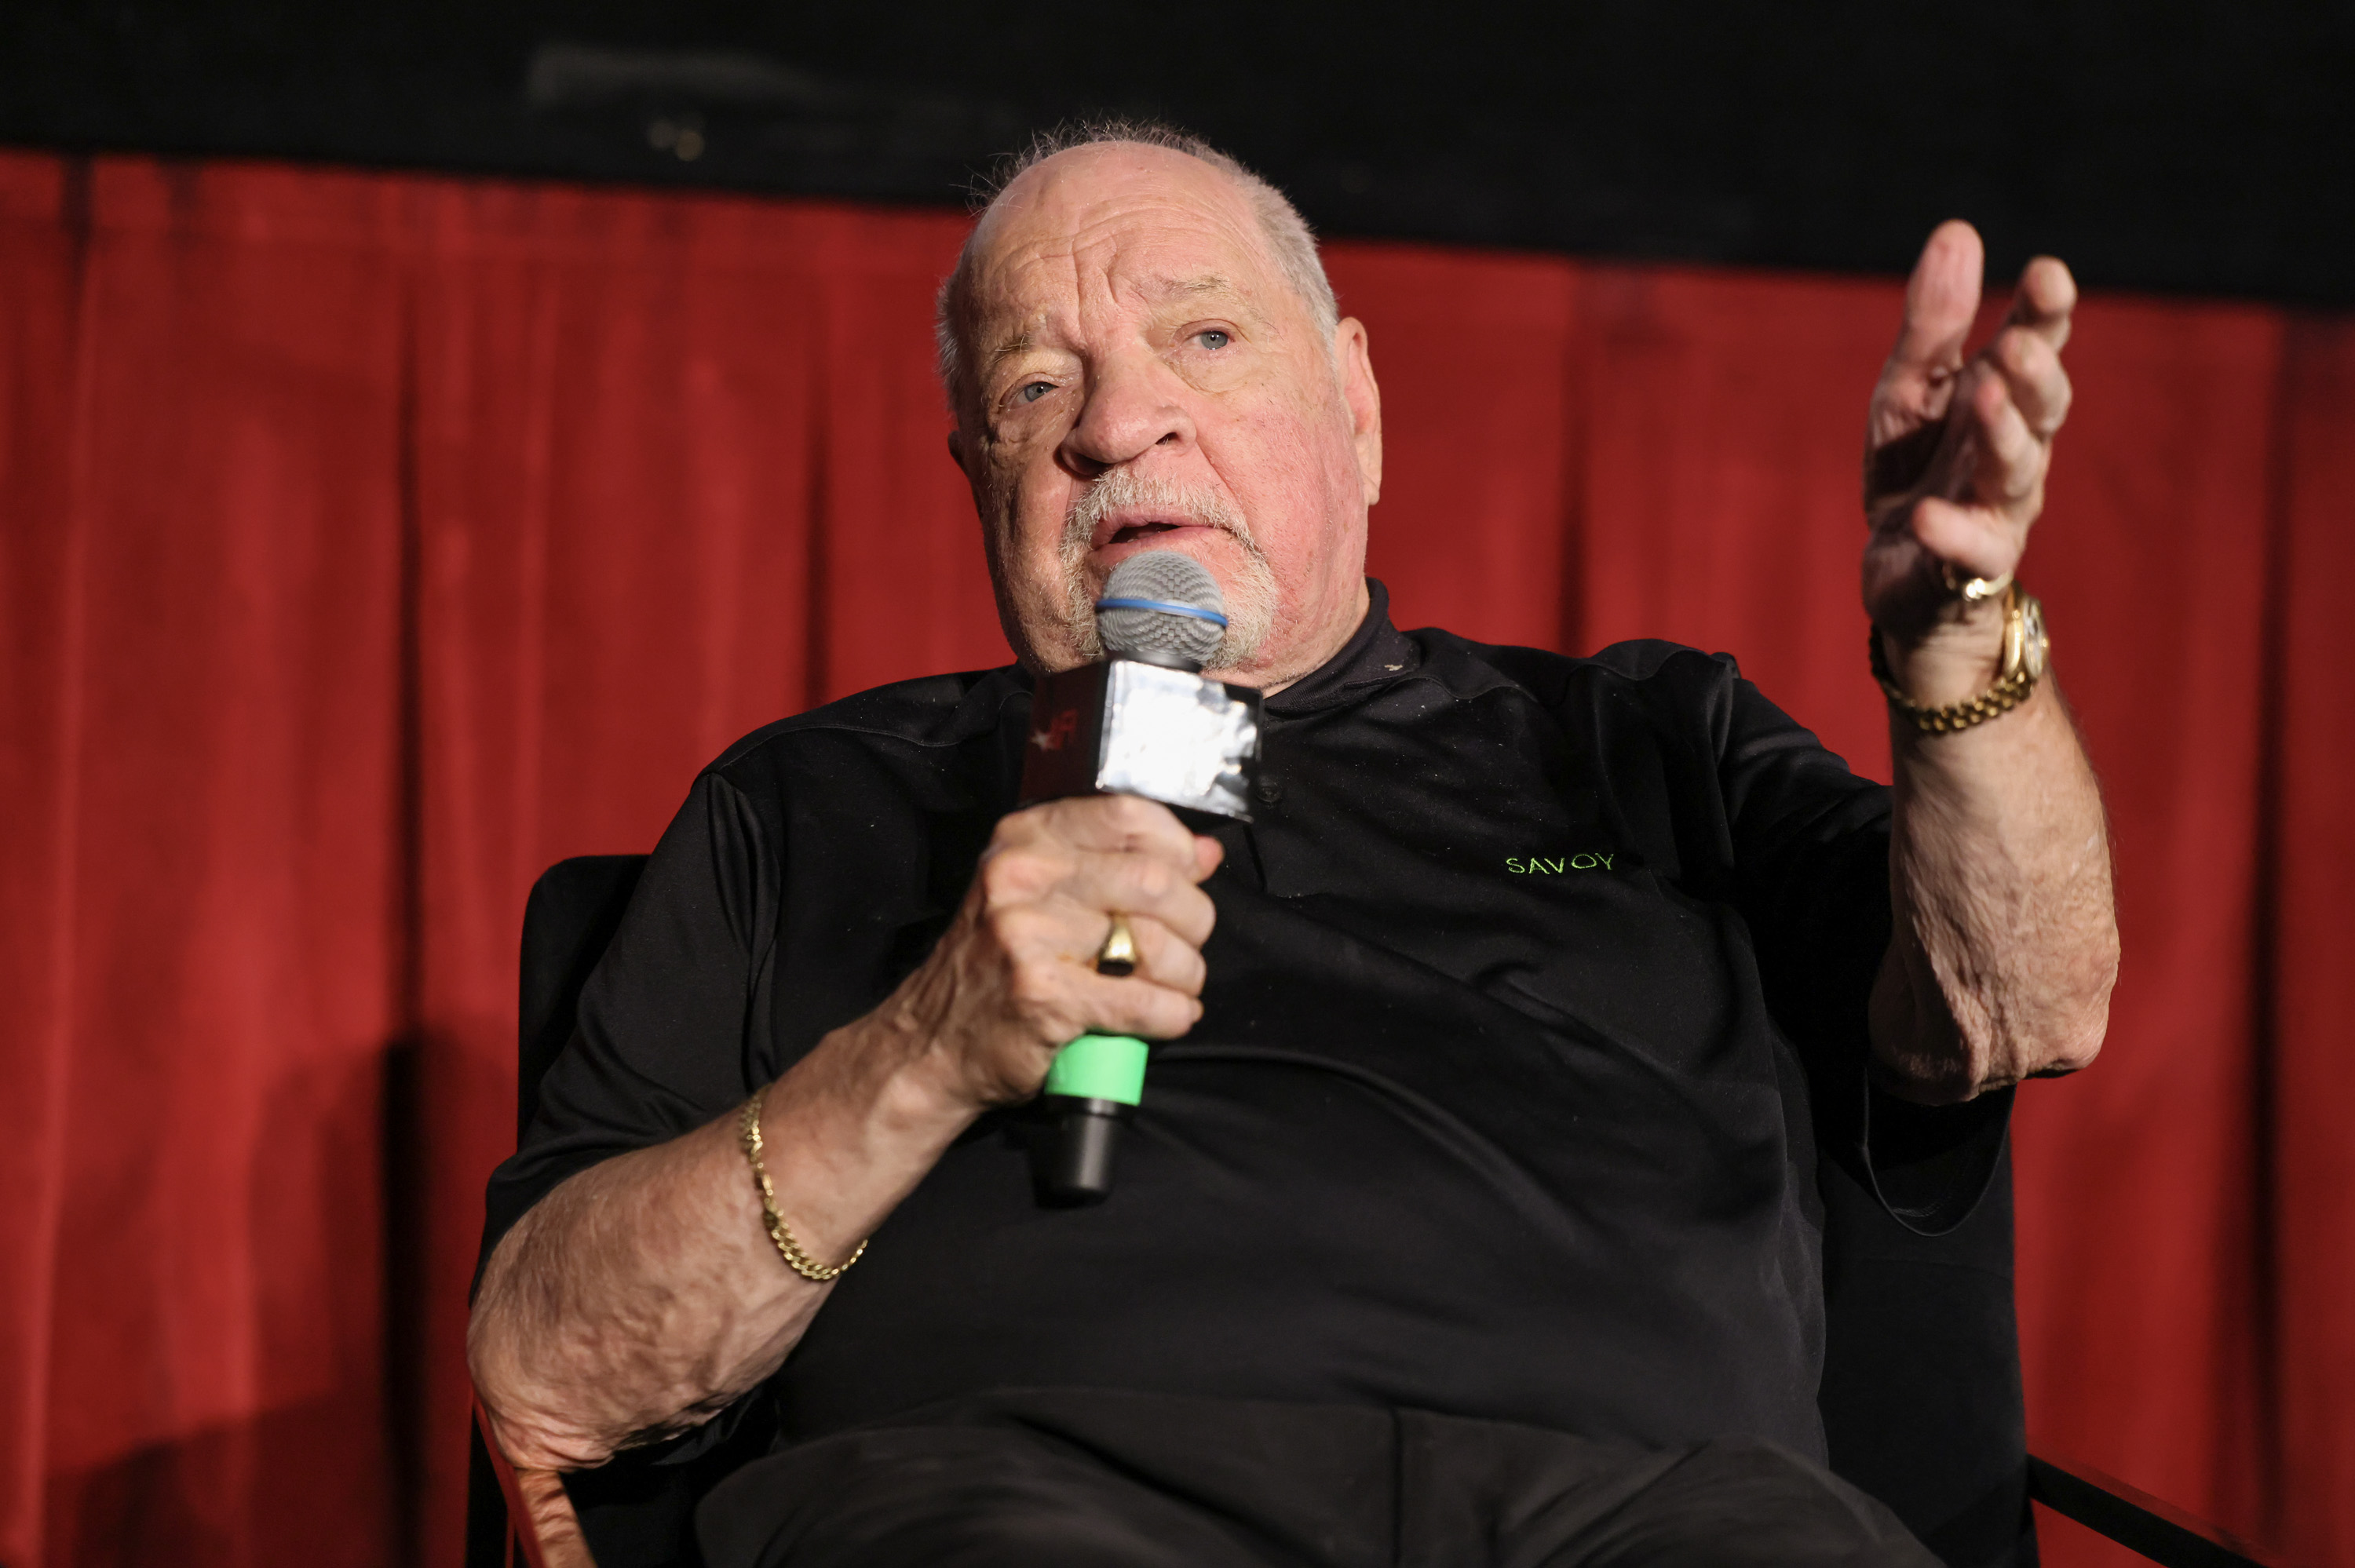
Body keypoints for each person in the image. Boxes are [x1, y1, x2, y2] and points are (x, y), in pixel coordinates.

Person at [467, 121, 2116, 1566]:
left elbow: (2025, 1003)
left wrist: (1959, 647)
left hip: (1652, 1515)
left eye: (1202, 336)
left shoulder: (1647, 744)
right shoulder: (807, 806)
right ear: (979, 474)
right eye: (1037, 383)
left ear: (1358, 407)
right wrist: (924, 1052)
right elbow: (548, 1375)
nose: (1121, 424)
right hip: (1029, 1510)